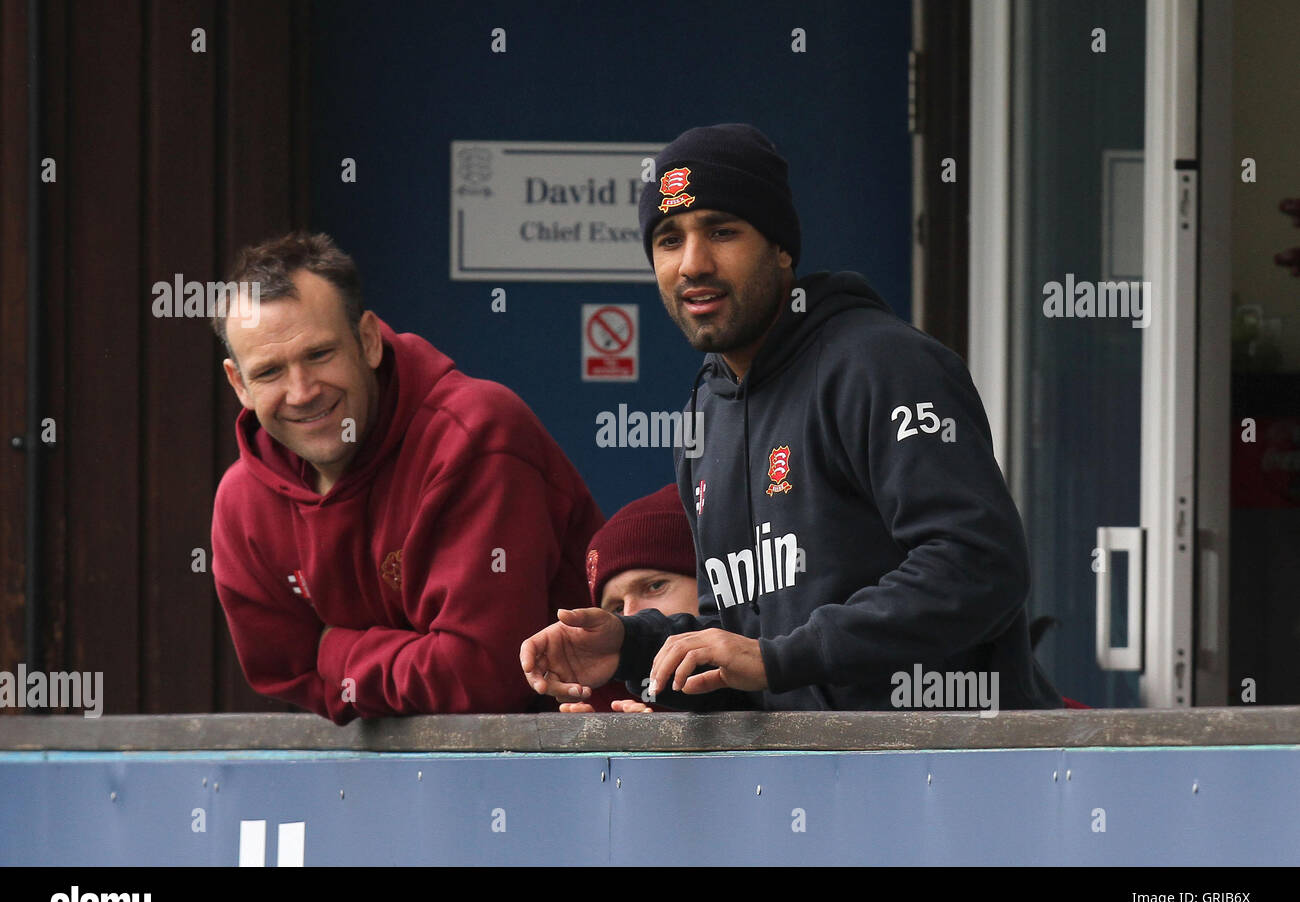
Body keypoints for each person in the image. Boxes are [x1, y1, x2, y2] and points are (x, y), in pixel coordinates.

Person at [522, 123, 1062, 713]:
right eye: (669, 240)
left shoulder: (881, 365)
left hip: (953, 773)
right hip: (801, 786)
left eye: (722, 232)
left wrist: (777, 660)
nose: (693, 264)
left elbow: (978, 564)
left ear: (781, 248)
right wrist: (631, 648)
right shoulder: (705, 409)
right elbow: (738, 635)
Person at [211, 232, 602, 724]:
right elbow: (282, 673)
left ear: (369, 340)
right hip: (386, 785)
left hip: (574, 767)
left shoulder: (475, 433)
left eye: (319, 354)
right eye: (269, 372)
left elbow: (480, 678)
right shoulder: (242, 501)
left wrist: (333, 652)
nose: (302, 391)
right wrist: (408, 668)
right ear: (238, 384)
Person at [560, 483, 703, 714]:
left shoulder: (770, 673)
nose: (631, 615)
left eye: (654, 586)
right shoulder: (613, 706)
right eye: (616, 608)